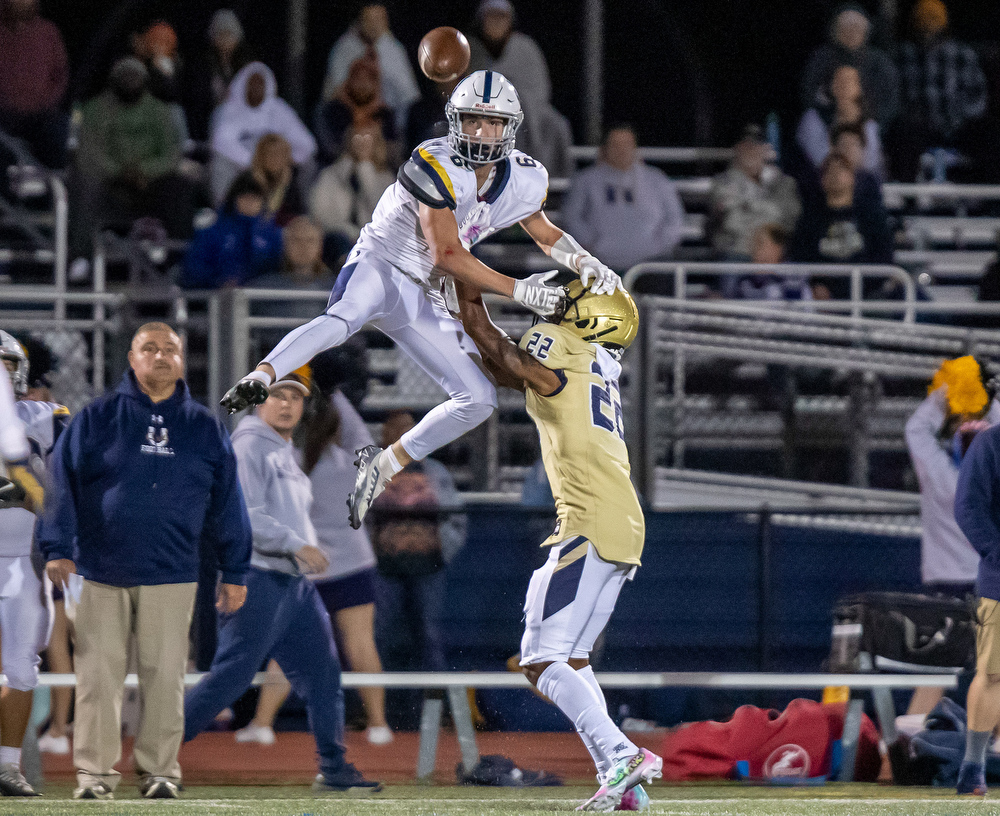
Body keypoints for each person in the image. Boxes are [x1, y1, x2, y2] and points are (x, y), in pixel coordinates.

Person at [220, 70, 618, 531]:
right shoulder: (434, 160)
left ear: (510, 128)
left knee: (479, 399)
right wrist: (519, 289)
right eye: (472, 121)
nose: (480, 133)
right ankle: (263, 375)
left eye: (492, 123)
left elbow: (543, 231)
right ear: (455, 122)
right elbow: (446, 253)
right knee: (343, 318)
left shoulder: (525, 178)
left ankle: (384, 464)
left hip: (423, 291)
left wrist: (584, 260)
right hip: (381, 264)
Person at [454, 277, 660, 811]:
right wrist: (459, 325)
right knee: (574, 659)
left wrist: (465, 282)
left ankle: (623, 754)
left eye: (569, 304)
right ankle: (620, 781)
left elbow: (502, 351)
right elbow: (501, 365)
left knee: (540, 660)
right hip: (619, 521)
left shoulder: (564, 362)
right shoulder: (592, 370)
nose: (556, 308)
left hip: (588, 520)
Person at [38, 322, 252, 800]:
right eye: (149, 348)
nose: (160, 356)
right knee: (98, 679)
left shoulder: (205, 427)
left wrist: (235, 569)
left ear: (182, 360)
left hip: (173, 572)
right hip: (98, 570)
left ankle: (160, 772)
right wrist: (57, 548)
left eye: (169, 349)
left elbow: (228, 504)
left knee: (165, 679)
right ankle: (95, 776)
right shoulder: (96, 418)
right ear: (131, 359)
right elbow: (60, 483)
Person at [183, 370, 382, 794]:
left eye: (295, 397)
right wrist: (296, 544)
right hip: (257, 576)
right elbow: (244, 514)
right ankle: (156, 754)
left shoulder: (283, 448)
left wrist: (299, 550)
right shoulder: (250, 444)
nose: (287, 404)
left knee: (323, 677)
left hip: (293, 583)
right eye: (278, 395)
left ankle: (334, 768)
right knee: (231, 677)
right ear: (259, 401)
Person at [238, 385, 391, 746]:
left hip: (307, 565)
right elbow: (361, 435)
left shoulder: (286, 463)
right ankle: (379, 725)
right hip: (353, 563)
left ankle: (262, 724)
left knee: (288, 646)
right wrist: (334, 389)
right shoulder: (350, 461)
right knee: (361, 643)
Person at [903, 357, 998, 723]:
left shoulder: (938, 472)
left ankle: (904, 749)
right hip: (988, 584)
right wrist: (986, 396)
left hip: (946, 587)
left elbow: (917, 428)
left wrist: (951, 391)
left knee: (934, 677)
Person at [0, 331, 67, 796]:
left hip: (20, 559)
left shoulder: (44, 418)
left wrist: (29, 493)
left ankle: (8, 766)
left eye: (4, 366)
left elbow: (64, 491)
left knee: (23, 664)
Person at [69, 57, 195, 276]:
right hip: (109, 185)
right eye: (125, 77)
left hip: (149, 184)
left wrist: (144, 170)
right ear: (113, 80)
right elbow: (89, 153)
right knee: (85, 183)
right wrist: (119, 171)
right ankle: (82, 257)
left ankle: (179, 261)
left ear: (145, 81)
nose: (130, 82)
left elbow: (171, 154)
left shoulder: (160, 111)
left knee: (180, 186)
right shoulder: (95, 109)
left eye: (135, 77)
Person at [368, 410, 465, 682]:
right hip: (383, 569)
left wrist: (441, 552)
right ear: (385, 436)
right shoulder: (372, 471)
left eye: (409, 428)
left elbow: (456, 519)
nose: (403, 434)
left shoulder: (435, 472)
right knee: (377, 634)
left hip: (428, 567)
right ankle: (371, 701)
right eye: (396, 429)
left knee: (430, 634)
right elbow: (357, 519)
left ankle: (435, 699)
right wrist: (370, 555)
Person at [953, 401, 1000, 795]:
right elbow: (968, 507)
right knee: (993, 673)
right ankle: (973, 765)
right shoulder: (990, 445)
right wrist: (998, 554)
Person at [562, 124, 686, 271]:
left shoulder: (657, 180)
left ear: (635, 148)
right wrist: (591, 243)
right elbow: (572, 216)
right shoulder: (585, 180)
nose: (621, 150)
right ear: (604, 148)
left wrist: (658, 245)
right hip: (599, 263)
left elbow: (675, 217)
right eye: (615, 145)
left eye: (626, 144)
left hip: (650, 263)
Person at [893, 0, 987, 182]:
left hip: (958, 127)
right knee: (903, 134)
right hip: (918, 130)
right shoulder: (904, 54)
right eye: (924, 18)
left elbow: (978, 96)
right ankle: (908, 194)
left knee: (988, 138)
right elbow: (896, 97)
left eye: (934, 18)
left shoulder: (962, 54)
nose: (929, 23)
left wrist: (960, 117)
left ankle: (984, 194)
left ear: (944, 22)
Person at [209, 62, 317, 205]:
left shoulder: (278, 109)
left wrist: (284, 157)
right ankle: (224, 209)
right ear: (243, 85)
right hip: (242, 168)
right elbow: (221, 143)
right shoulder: (228, 110)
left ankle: (303, 210)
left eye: (261, 84)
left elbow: (308, 144)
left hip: (276, 167)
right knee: (220, 163)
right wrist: (258, 162)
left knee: (309, 163)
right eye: (252, 84)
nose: (256, 89)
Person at [789, 150, 893, 297]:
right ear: (822, 180)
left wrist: (862, 289)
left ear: (852, 178)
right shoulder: (810, 219)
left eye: (842, 169)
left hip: (868, 295)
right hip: (821, 298)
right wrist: (815, 284)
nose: (836, 175)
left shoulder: (870, 215)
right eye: (830, 171)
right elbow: (800, 256)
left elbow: (883, 256)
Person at [708, 125, 801, 261]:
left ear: (765, 149)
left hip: (773, 255)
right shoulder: (722, 183)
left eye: (755, 146)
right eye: (746, 146)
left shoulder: (784, 183)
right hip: (736, 253)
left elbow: (788, 222)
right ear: (737, 149)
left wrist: (747, 207)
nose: (750, 151)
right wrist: (768, 214)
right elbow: (731, 223)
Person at [322, 3, 419, 133]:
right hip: (349, 117)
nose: (374, 26)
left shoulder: (394, 49)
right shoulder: (345, 47)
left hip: (386, 118)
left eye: (379, 19)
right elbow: (335, 92)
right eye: (370, 20)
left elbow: (409, 95)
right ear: (360, 21)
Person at [800, 4, 900, 129]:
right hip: (826, 124)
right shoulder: (822, 58)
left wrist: (863, 117)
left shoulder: (879, 62)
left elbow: (890, 101)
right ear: (835, 31)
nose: (851, 33)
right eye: (845, 28)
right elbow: (808, 94)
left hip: (868, 125)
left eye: (856, 28)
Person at [309, 124, 395, 266]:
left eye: (367, 139)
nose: (361, 144)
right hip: (337, 237)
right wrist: (351, 232)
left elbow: (383, 213)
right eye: (357, 138)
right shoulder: (330, 175)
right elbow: (319, 214)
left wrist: (365, 169)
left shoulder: (385, 179)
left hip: (373, 239)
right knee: (338, 242)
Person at [180, 172, 283, 289]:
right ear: (234, 198)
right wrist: (218, 282)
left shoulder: (272, 235)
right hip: (213, 295)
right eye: (245, 197)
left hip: (258, 296)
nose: (250, 203)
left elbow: (277, 272)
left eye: (256, 198)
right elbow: (193, 268)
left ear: (263, 202)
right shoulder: (211, 230)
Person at [0, 0, 69, 169]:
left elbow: (60, 73)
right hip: (5, 118)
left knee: (67, 133)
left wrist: (48, 101)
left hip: (43, 115)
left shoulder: (48, 31)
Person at [796, 65, 886, 181]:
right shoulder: (813, 118)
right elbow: (815, 159)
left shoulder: (870, 126)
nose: (844, 86)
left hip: (861, 183)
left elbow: (872, 164)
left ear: (859, 87)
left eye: (849, 81)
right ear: (830, 85)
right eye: (839, 80)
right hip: (820, 182)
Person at [315, 56, 398, 167]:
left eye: (368, 79)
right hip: (339, 169)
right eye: (358, 78)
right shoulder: (332, 111)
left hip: (378, 170)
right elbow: (329, 149)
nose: (363, 84)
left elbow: (393, 152)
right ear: (348, 80)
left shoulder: (385, 114)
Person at [250, 133, 305, 226]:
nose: (275, 159)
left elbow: (298, 212)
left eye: (280, 154)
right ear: (261, 156)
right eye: (270, 154)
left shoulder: (295, 179)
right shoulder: (249, 180)